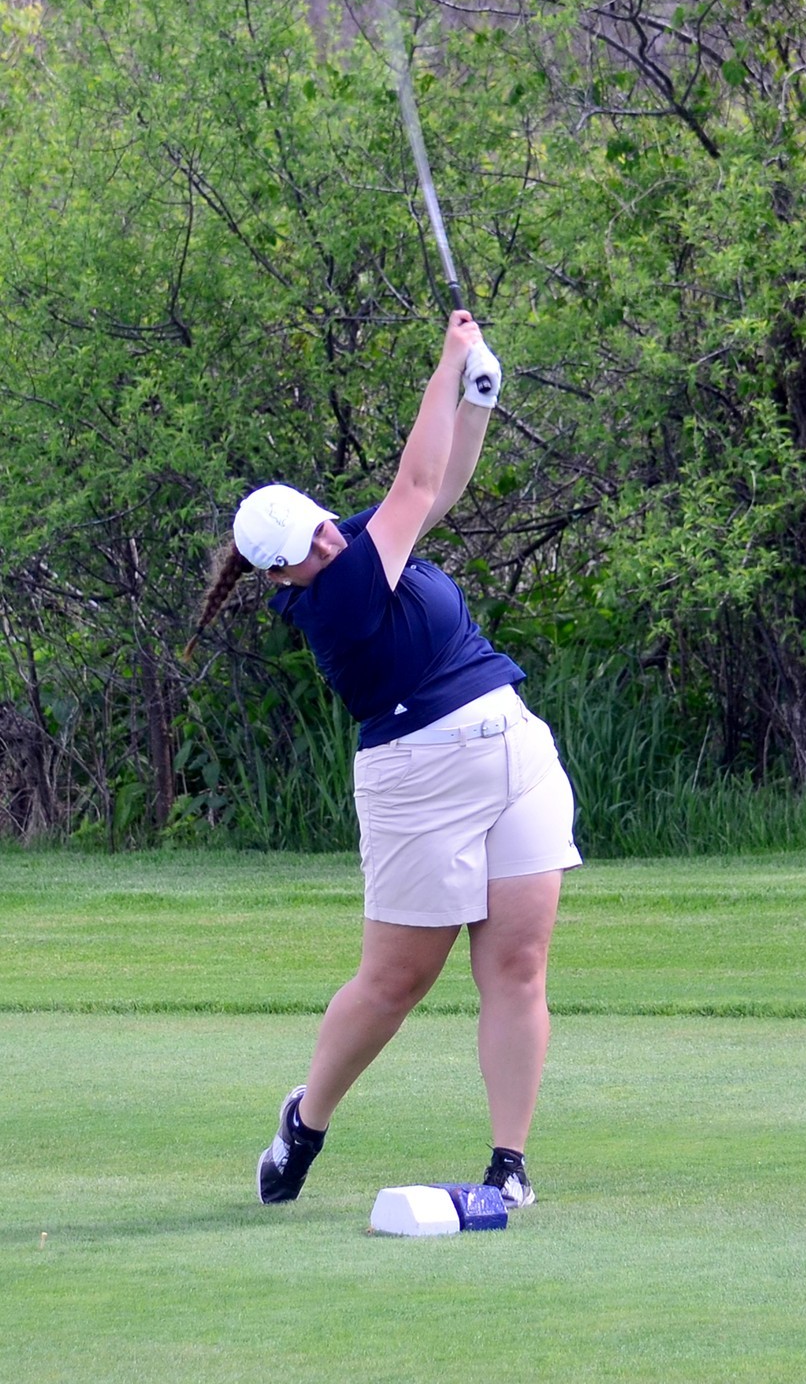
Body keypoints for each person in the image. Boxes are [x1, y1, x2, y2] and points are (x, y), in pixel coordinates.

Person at [186, 310, 581, 1210]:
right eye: (307, 552)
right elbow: (415, 477)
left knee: (517, 968)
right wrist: (446, 362)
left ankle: (507, 1166)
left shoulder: (352, 544)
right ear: (278, 576)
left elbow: (439, 490)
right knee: (397, 982)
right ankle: (307, 1120)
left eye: (324, 529)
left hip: (514, 748)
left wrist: (477, 394)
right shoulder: (333, 602)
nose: (327, 544)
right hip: (419, 779)